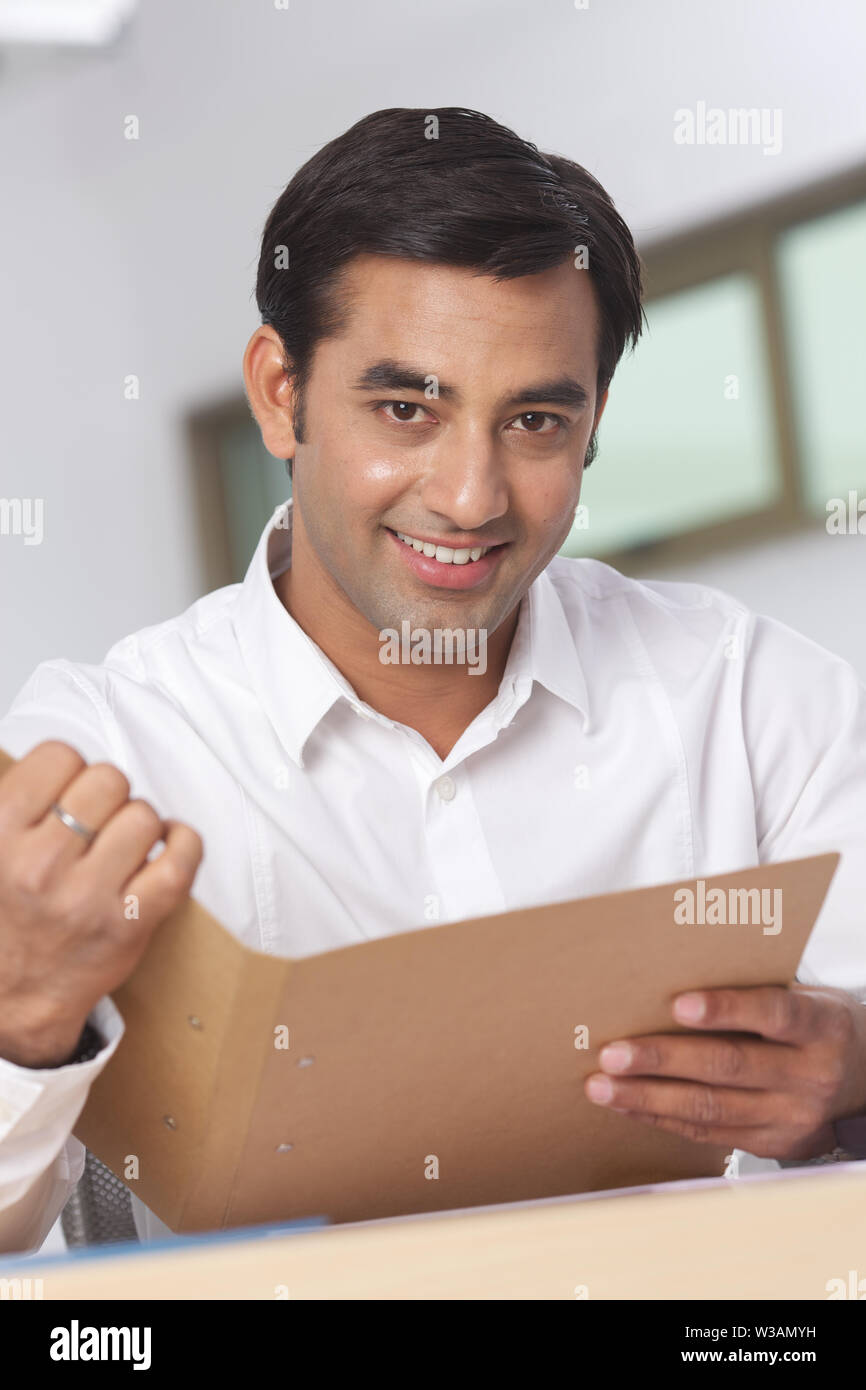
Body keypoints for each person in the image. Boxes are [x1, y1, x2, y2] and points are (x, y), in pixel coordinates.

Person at [1, 107, 864, 1252]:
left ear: (593, 422)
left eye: (535, 421)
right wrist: (24, 1022)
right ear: (280, 393)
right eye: (405, 408)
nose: (470, 496)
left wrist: (849, 1079)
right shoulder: (96, 756)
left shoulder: (753, 700)